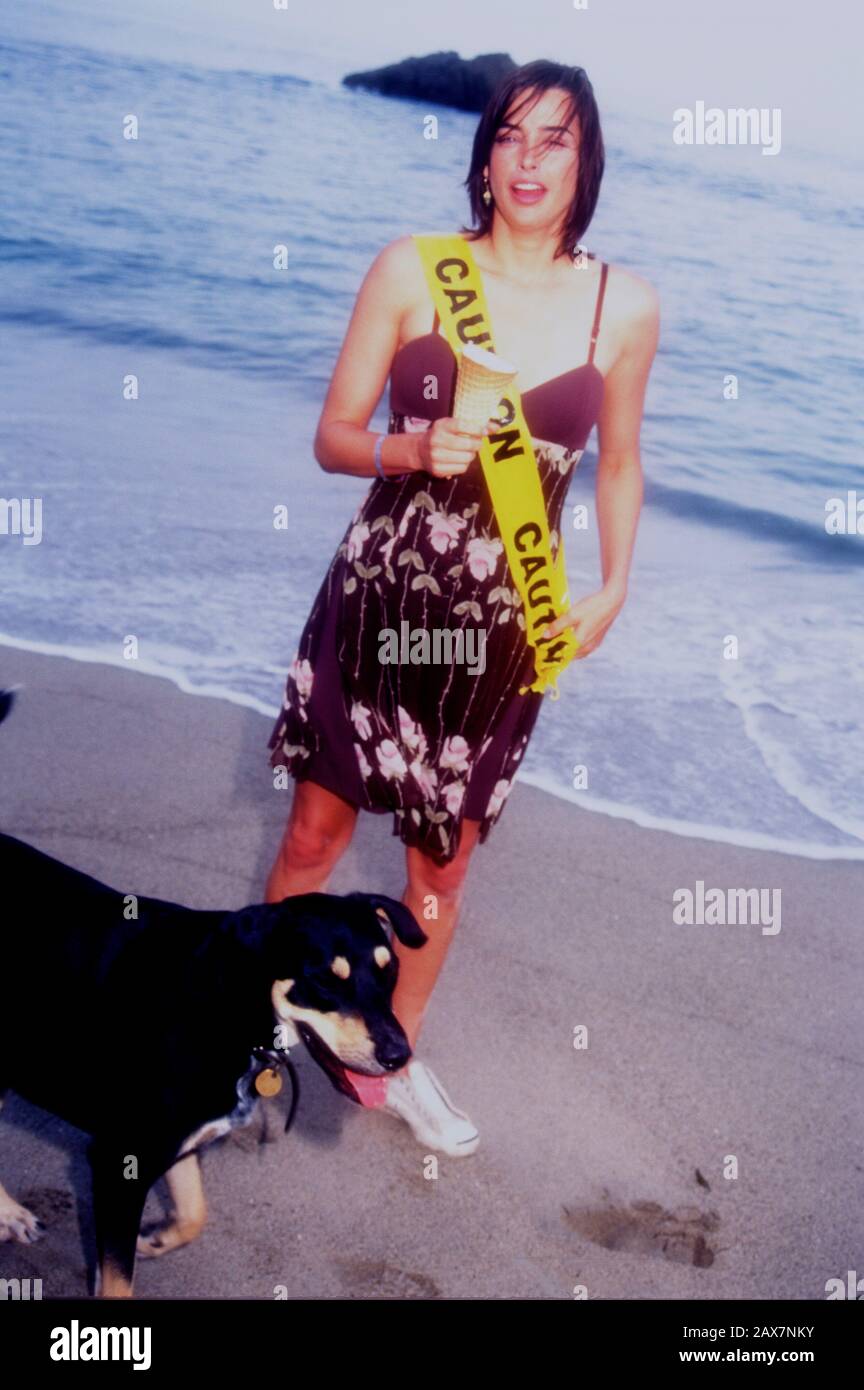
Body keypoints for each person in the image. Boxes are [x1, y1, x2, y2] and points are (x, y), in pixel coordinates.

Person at [264, 60, 659, 1155]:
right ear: (484, 155)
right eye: (511, 136)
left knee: (442, 861)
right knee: (315, 825)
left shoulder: (622, 307)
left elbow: (620, 461)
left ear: (586, 164)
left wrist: (616, 581)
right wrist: (405, 444)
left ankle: (387, 1055)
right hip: (382, 598)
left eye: (557, 140)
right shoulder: (415, 270)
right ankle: (266, 1022)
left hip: (501, 632)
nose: (529, 160)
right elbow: (334, 434)